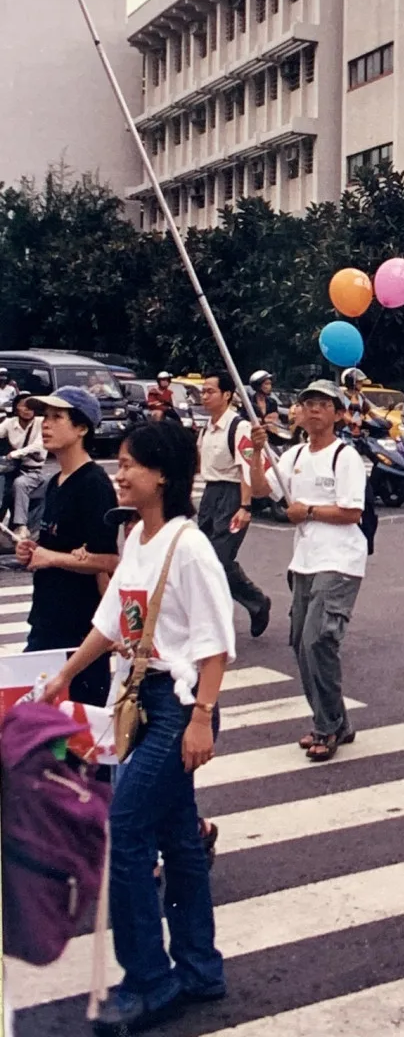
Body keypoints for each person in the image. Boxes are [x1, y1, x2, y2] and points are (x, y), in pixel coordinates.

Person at [41, 421, 234, 1034]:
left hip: (178, 708)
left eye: (129, 465)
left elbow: (215, 648)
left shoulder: (189, 547)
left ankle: (150, 981)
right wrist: (63, 677)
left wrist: (201, 720)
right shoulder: (139, 543)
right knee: (177, 839)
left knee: (124, 832)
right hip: (141, 703)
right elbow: (111, 624)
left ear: (164, 477)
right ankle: (201, 969)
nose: (119, 474)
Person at [248, 381, 367, 763]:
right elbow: (262, 489)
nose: (314, 410)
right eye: (307, 403)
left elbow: (352, 512)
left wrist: (309, 511)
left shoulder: (344, 456)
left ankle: (327, 727)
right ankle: (337, 720)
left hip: (340, 561)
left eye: (322, 404)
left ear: (337, 413)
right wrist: (254, 452)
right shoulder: (294, 454)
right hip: (304, 560)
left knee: (319, 640)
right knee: (301, 643)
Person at [16, 388, 118, 706]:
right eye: (44, 417)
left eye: (57, 417)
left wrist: (51, 558)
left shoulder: (95, 485)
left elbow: (110, 561)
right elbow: (57, 547)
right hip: (47, 620)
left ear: (82, 428)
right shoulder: (56, 481)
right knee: (33, 728)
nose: (46, 424)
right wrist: (34, 551)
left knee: (79, 738)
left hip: (80, 634)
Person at [196, 371, 271, 638]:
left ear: (227, 395)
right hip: (210, 496)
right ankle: (242, 606)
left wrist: (245, 506)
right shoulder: (207, 426)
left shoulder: (237, 427)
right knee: (204, 559)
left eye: (210, 391)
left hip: (232, 496)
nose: (204, 396)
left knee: (219, 559)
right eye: (203, 391)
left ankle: (256, 602)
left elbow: (246, 469)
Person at [0, 392, 47, 525]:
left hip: (33, 472)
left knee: (20, 484)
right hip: (12, 469)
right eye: (23, 406)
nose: (27, 410)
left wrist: (16, 453)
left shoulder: (41, 423)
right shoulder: (10, 423)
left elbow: (38, 445)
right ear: (16, 408)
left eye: (30, 407)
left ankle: (21, 525)